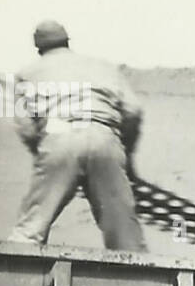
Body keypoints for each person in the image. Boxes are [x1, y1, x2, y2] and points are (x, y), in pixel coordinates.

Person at [8, 20, 147, 251]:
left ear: (39, 47)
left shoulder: (28, 73)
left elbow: (26, 126)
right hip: (104, 136)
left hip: (59, 136)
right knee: (125, 237)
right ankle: (138, 283)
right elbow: (133, 110)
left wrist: (45, 156)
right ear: (67, 41)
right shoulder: (103, 66)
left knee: (31, 228)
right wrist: (126, 156)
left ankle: (12, 278)